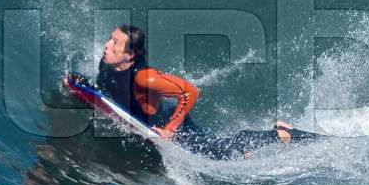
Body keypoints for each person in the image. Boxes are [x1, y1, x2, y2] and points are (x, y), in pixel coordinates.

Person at [92, 24, 320, 159]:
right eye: (110, 39)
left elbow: (190, 91)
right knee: (221, 146)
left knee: (221, 150)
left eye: (114, 42)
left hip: (177, 128)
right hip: (157, 118)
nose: (107, 44)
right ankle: (260, 140)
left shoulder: (144, 77)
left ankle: (282, 133)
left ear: (129, 55)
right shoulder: (107, 63)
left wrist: (170, 129)